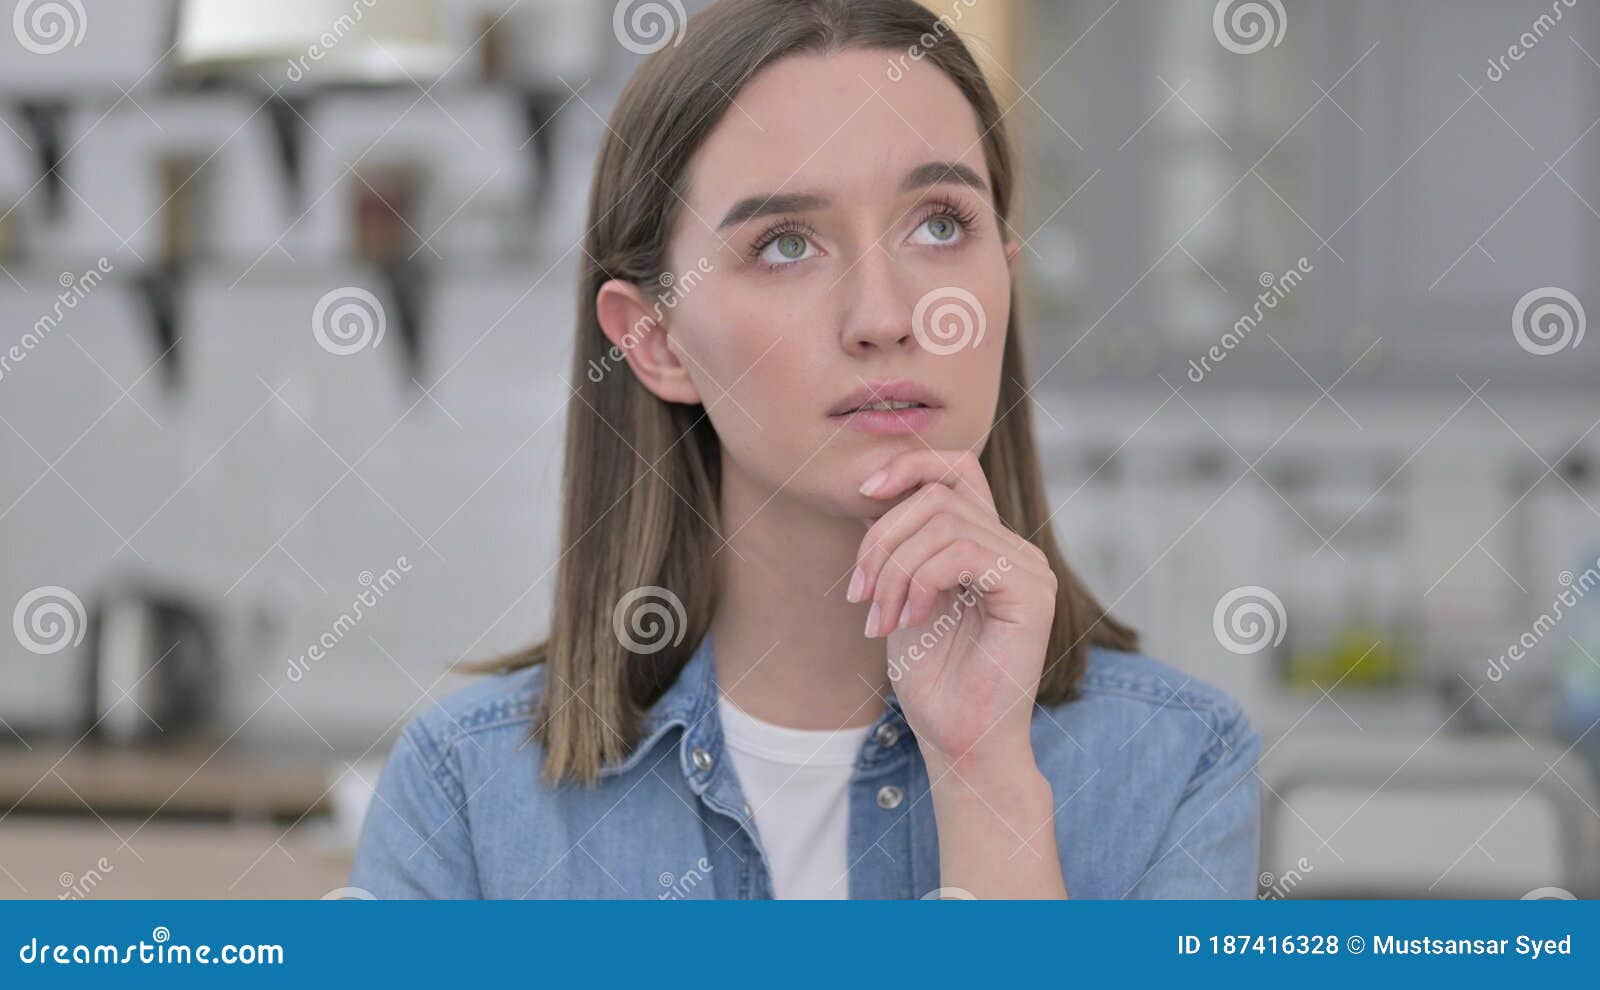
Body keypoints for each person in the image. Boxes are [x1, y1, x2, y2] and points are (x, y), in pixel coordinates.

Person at [349, 0, 1260, 900]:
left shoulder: (1178, 768)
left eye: (940, 224)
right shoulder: (464, 795)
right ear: (656, 341)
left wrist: (984, 775)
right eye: (786, 243)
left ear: (1002, 281)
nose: (886, 317)